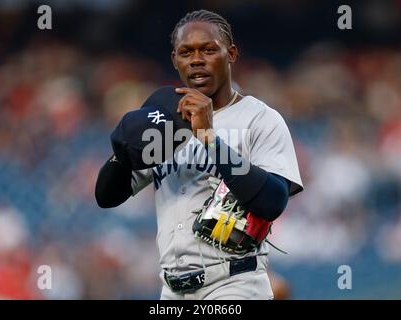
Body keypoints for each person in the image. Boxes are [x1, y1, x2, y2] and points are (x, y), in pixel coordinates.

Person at [95, 9, 303, 300]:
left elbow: (273, 201)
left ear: (230, 54)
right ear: (174, 60)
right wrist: (122, 151)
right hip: (172, 290)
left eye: (208, 50)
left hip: (234, 283)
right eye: (186, 52)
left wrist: (208, 138)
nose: (196, 60)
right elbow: (106, 196)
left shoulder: (258, 118)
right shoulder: (163, 122)